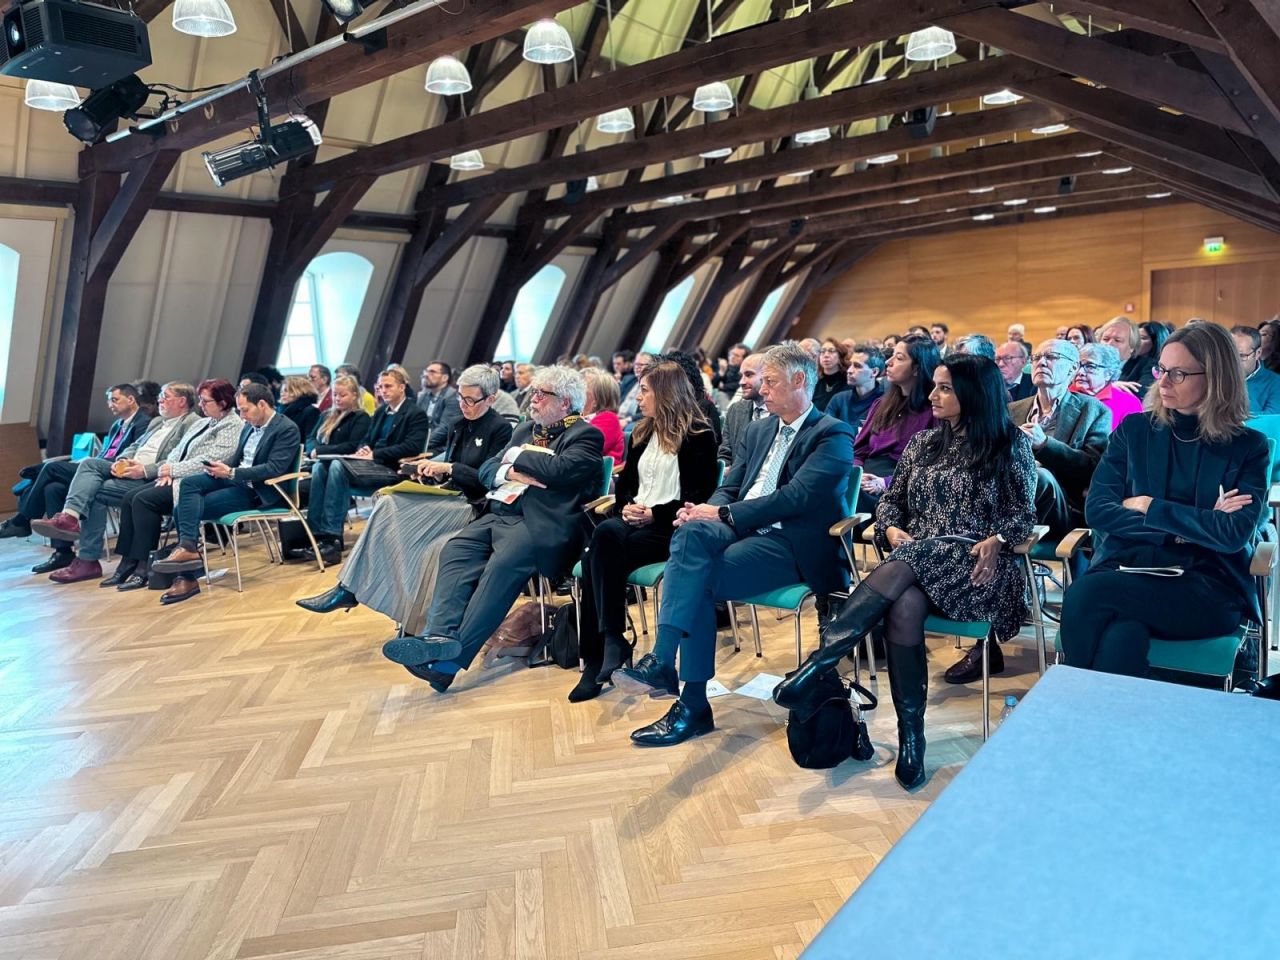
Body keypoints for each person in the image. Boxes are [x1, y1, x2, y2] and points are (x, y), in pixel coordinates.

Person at [773, 354, 1037, 789]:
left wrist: (999, 540)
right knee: (904, 606)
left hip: (976, 570)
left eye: (945, 388)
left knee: (909, 567)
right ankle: (911, 735)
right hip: (916, 567)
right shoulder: (923, 444)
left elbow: (1023, 514)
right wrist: (892, 528)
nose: (932, 395)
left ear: (974, 394)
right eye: (934, 385)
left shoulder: (1009, 444)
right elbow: (892, 503)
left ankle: (819, 666)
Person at [611, 342, 856, 746]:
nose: (762, 390)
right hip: (740, 530)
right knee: (688, 532)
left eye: (771, 382)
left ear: (799, 381)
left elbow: (795, 497)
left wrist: (723, 515)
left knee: (695, 579)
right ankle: (667, 671)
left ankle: (687, 698)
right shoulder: (759, 429)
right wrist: (706, 510)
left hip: (788, 543)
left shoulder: (833, 434)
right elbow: (730, 487)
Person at [1060, 322, 1268, 677]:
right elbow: (1098, 511)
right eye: (1162, 369)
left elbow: (1233, 534)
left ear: (1216, 378)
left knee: (1086, 594)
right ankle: (1114, 728)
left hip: (1206, 586)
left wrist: (1150, 506)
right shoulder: (1135, 431)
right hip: (1129, 569)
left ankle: (1071, 714)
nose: (1163, 382)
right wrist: (1193, 525)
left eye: (1179, 373)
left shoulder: (1248, 447)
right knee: (1119, 638)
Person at [379, 367, 604, 692]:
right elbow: (486, 469)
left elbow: (561, 470)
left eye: (543, 394)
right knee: (455, 549)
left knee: (501, 567)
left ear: (566, 402)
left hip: (540, 526)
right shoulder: (525, 428)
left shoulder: (584, 435)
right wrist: (510, 470)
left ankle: (447, 664)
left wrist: (514, 461)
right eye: (535, 392)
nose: (534, 399)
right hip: (498, 513)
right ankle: (438, 637)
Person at [297, 365, 515, 630]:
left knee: (392, 514)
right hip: (450, 494)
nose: (463, 404)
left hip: (472, 504)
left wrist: (448, 468)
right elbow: (450, 467)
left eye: (470, 400)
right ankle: (349, 587)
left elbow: (487, 478)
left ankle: (351, 589)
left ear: (490, 399)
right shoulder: (458, 425)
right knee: (387, 502)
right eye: (460, 397)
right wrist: (430, 473)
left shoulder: (501, 428)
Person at [944, 338, 1110, 684]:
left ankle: (1000, 542)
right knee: (995, 533)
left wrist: (1044, 446)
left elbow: (1093, 468)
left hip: (1063, 511)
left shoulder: (1093, 411)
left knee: (1040, 477)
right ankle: (985, 641)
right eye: (1038, 357)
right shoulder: (1014, 409)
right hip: (1009, 513)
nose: (1042, 362)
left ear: (1072, 368)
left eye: (1052, 357)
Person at [568, 361, 720, 702]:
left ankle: (603, 652)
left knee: (600, 545)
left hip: (673, 528)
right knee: (601, 543)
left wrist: (655, 513)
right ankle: (609, 643)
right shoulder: (640, 433)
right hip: (633, 525)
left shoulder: (699, 435)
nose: (638, 398)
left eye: (645, 391)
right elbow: (626, 487)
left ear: (666, 394)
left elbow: (699, 496)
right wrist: (627, 506)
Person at [30, 383, 202, 584]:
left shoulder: (192, 423)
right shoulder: (157, 422)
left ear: (182, 401)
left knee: (89, 480)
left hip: (151, 477)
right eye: (161, 396)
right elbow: (135, 446)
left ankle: (85, 554)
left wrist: (145, 470)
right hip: (127, 469)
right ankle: (78, 537)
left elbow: (181, 459)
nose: (160, 400)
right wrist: (122, 459)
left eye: (166, 396)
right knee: (85, 474)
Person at [149, 384, 303, 601]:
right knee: (188, 485)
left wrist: (231, 472)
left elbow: (273, 469)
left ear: (262, 404)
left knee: (182, 509)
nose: (241, 415)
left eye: (244, 409)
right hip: (236, 480)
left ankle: (186, 576)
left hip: (259, 490)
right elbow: (239, 459)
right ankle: (188, 550)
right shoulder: (250, 425)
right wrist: (216, 467)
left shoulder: (286, 428)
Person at [100, 379, 244, 591]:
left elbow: (216, 457)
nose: (201, 406)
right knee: (130, 498)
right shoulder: (203, 422)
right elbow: (177, 451)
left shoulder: (232, 425)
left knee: (144, 500)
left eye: (206, 402)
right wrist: (166, 469)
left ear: (222, 402)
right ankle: (128, 561)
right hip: (177, 477)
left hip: (203, 482)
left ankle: (143, 566)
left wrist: (173, 471)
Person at [0, 383, 151, 547]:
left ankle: (23, 519)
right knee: (53, 488)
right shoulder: (118, 424)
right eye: (109, 401)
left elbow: (134, 456)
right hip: (99, 464)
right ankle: (62, 553)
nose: (110, 405)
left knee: (51, 468)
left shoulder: (144, 422)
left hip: (116, 470)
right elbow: (104, 453)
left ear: (130, 399)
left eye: (114, 400)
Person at [306, 368, 430, 563]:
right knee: (320, 467)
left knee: (337, 465)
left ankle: (332, 539)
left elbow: (412, 446)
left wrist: (375, 454)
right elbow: (366, 439)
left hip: (391, 468)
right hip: (371, 464)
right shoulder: (382, 411)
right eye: (380, 387)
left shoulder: (415, 413)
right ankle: (316, 535)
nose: (383, 390)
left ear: (402, 387)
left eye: (388, 386)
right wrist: (364, 449)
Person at [851, 336, 941, 515]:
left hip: (901, 484)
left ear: (917, 368)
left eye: (899, 358)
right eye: (891, 355)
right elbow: (858, 450)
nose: (888, 362)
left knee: (852, 501)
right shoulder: (881, 404)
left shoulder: (935, 410)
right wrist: (857, 474)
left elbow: (933, 468)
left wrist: (885, 482)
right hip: (866, 476)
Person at [1073, 343, 1143, 430]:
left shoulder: (1129, 403)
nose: (1080, 372)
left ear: (1108, 373)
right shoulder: (1063, 395)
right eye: (1078, 365)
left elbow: (1132, 441)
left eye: (1090, 366)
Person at [717, 353, 768, 465]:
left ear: (767, 376)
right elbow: (725, 453)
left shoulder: (781, 415)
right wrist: (725, 470)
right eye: (742, 376)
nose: (741, 382)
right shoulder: (735, 410)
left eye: (749, 375)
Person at [305, 374, 371, 456]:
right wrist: (313, 449)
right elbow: (311, 438)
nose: (337, 399)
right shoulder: (326, 414)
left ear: (354, 395)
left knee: (326, 466)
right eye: (335, 395)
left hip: (342, 461)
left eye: (343, 395)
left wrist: (321, 450)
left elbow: (353, 445)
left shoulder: (361, 417)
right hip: (319, 458)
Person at [825, 346, 884, 434]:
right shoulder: (839, 399)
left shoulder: (886, 404)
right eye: (850, 365)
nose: (849, 370)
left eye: (857, 366)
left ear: (874, 372)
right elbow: (825, 430)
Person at [1231, 326, 1280, 414]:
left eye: (1241, 356)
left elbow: (1268, 420)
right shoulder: (1215, 376)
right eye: (1229, 354)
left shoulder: (1276, 383)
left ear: (1258, 353)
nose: (1233, 361)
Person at [1098, 317, 1153, 393]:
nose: (1109, 344)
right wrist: (1110, 386)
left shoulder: (1147, 366)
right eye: (1105, 339)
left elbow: (1139, 393)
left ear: (1132, 346)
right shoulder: (1089, 363)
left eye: (1117, 340)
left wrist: (1110, 388)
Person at [582, 369, 625, 463]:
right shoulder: (582, 415)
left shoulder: (609, 418)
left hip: (595, 472)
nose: (581, 394)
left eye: (585, 391)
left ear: (597, 399)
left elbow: (585, 448)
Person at [813, 338, 851, 411]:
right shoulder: (815, 382)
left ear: (840, 356)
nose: (826, 355)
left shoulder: (848, 382)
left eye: (831, 351)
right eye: (822, 351)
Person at [279, 375, 320, 441]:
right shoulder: (283, 411)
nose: (282, 394)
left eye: (286, 391)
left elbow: (310, 438)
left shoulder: (311, 411)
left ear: (299, 391)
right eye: (281, 391)